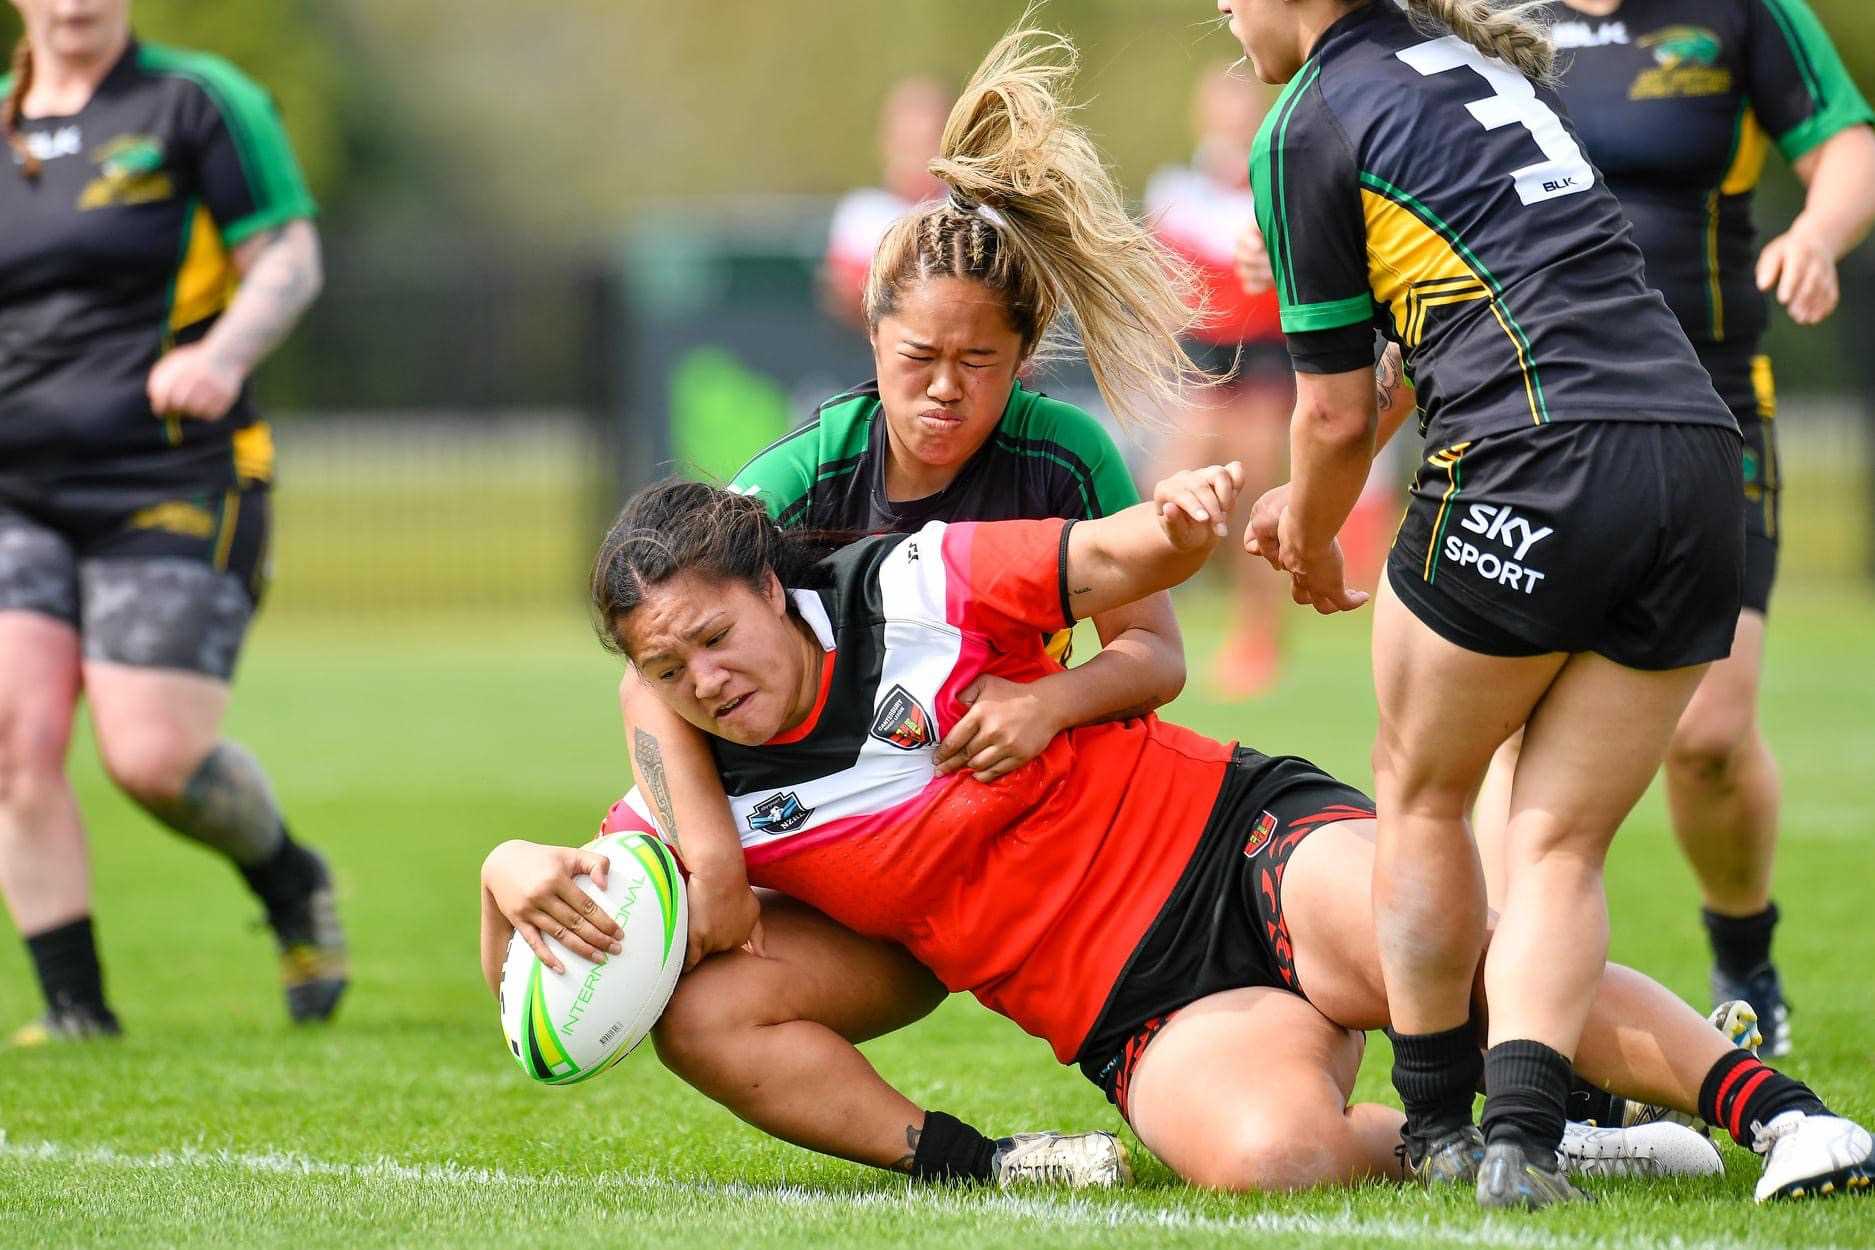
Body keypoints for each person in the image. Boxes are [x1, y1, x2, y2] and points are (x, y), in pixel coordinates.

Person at [480, 469, 1875, 1203]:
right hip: (1133, 1009)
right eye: (665, 669)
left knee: (1441, 950)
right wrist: (507, 868)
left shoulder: (911, 582)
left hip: (1231, 843)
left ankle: (1785, 1115)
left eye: (712, 637)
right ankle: (1571, 1128)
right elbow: (611, 933)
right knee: (1265, 1157)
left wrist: (1179, 518)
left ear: (772, 589)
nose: (702, 680)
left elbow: (1102, 557)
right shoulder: (705, 792)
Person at [608, 25, 1200, 1184]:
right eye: (916, 354)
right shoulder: (808, 472)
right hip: (854, 848)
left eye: (976, 362)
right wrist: (711, 850)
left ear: (1023, 354)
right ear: (870, 335)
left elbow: (1156, 656)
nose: (942, 388)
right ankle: (989, 1163)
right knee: (687, 1005)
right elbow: (658, 658)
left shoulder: (1069, 456)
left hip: (1019, 842)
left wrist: (1051, 703)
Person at [1222, 0, 1761, 1207]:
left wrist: (1306, 538)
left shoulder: (1310, 116)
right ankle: (1525, 1136)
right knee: (1559, 840)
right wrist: (1308, 502)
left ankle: (1433, 1120)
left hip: (1535, 458)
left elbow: (1334, 414)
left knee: (1424, 788)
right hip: (1691, 463)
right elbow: (1439, 339)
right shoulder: (1469, 67)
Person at [1472, 0, 1875, 1058]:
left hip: (1713, 408)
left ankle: (1744, 951)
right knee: (1515, 726)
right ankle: (1523, 1024)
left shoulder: (1740, 10)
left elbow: (1847, 145)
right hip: (1535, 417)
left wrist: (1818, 234)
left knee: (1707, 733)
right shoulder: (1486, 16)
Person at [0, 0, 344, 1041]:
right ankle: (76, 1009)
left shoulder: (197, 101)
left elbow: (289, 257)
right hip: (17, 488)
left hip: (176, 475)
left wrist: (223, 354)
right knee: (15, 742)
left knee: (151, 757)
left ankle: (289, 879)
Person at [1144, 63, 1296, 697]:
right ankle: (1136, 624)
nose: (1231, 115)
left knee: (1259, 488)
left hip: (1266, 356)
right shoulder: (1176, 188)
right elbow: (1164, 284)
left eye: (1241, 103)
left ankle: (1257, 636)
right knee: (1170, 482)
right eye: (1220, 103)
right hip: (1203, 357)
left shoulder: (1277, 181)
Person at [820, 76, 952, 329]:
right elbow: (851, 299)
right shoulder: (861, 214)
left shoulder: (979, 212)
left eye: (926, 141)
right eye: (906, 142)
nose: (915, 157)